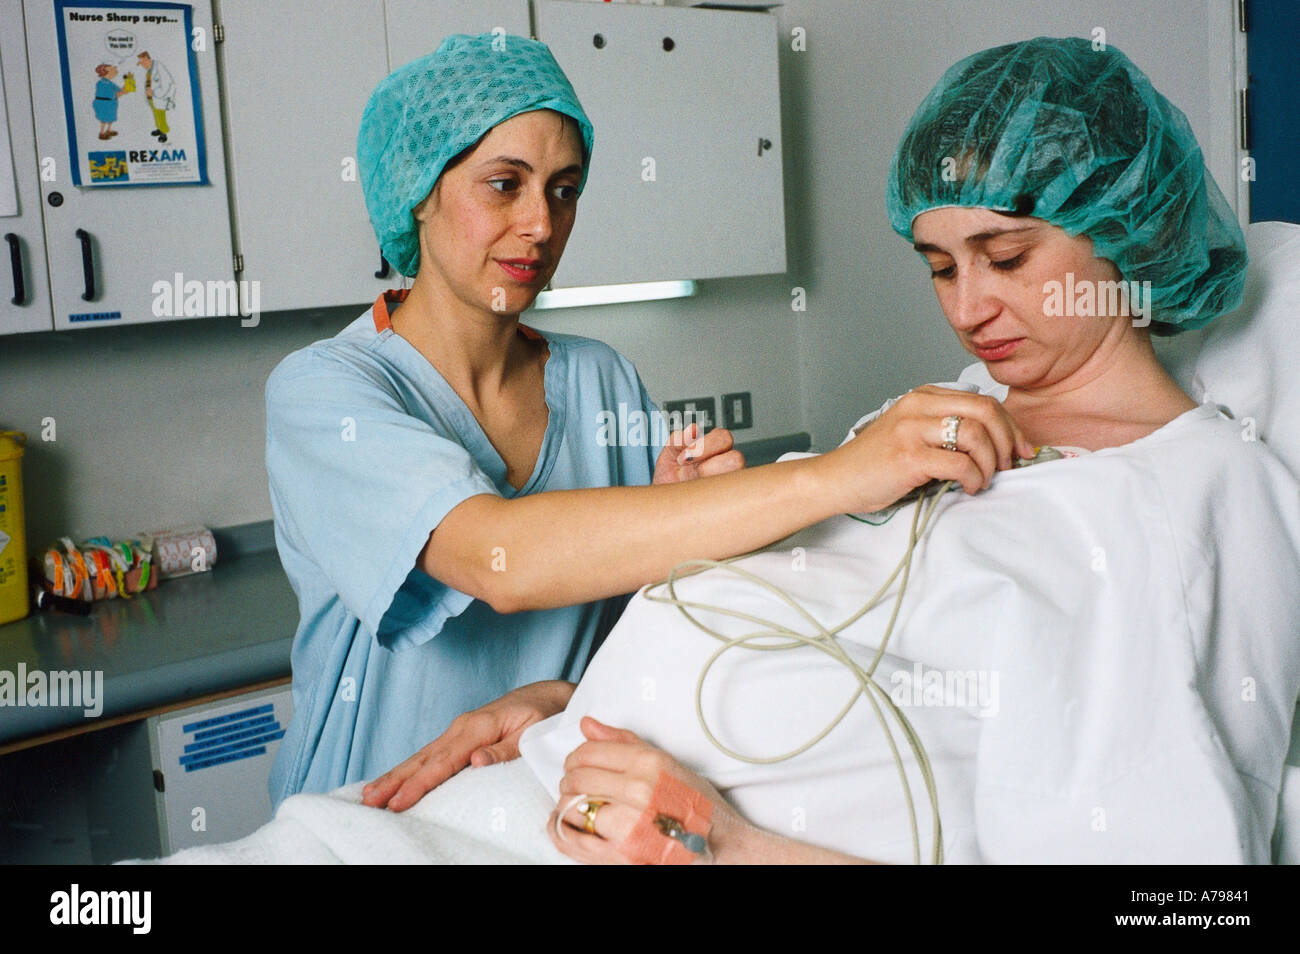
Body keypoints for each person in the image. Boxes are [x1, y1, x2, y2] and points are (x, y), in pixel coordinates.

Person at [360, 37, 1300, 864]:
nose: (967, 308)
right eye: (940, 268)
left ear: (1125, 234)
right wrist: (570, 697)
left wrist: (720, 847)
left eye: (1005, 257)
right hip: (543, 784)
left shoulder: (1203, 492)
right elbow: (858, 652)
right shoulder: (938, 414)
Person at [266, 33, 1033, 812]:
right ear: (419, 192)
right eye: (505, 184)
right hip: (368, 822)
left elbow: (646, 639)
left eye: (564, 189)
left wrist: (679, 544)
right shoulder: (329, 393)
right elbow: (501, 560)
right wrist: (841, 472)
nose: (540, 223)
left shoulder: (599, 379)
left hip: (541, 809)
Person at [136, 51, 174, 143]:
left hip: (159, 98)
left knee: (161, 116)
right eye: (141, 63)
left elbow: (167, 81)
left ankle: (164, 133)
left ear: (147, 59)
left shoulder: (158, 66)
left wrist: (155, 92)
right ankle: (159, 129)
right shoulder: (149, 70)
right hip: (152, 99)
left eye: (142, 62)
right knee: (156, 115)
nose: (142, 65)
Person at [91, 64, 130, 140]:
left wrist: (126, 85)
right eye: (112, 70)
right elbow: (112, 94)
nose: (115, 72)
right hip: (103, 104)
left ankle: (108, 130)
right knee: (104, 119)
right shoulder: (101, 83)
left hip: (111, 104)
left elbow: (120, 90)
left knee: (111, 118)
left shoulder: (110, 83)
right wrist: (121, 93)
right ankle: (102, 133)